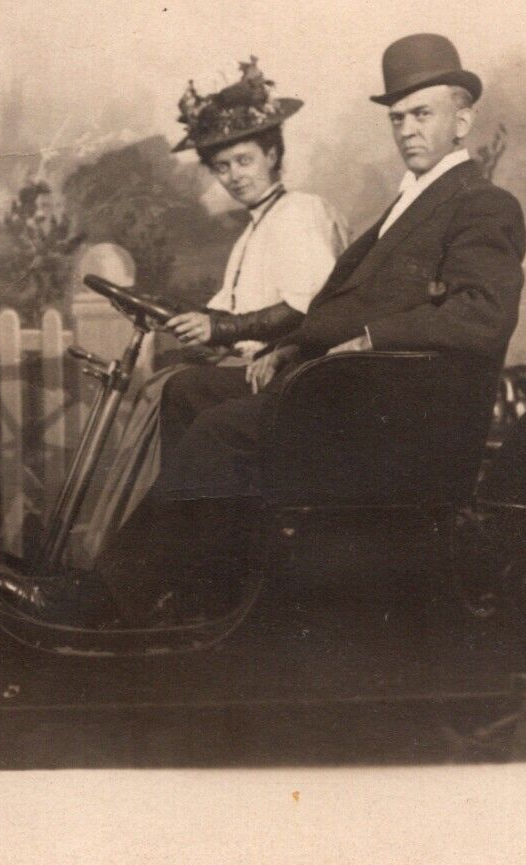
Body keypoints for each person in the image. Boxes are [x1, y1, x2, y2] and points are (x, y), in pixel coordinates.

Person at [0, 33, 526, 627]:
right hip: (347, 391)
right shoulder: (409, 202)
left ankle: (109, 600)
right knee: (190, 393)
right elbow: (338, 306)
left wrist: (372, 341)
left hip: (396, 417)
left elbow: (481, 315)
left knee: (221, 431)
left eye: (422, 114)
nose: (406, 130)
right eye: (397, 117)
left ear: (463, 119)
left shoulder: (481, 203)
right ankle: (203, 587)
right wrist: (292, 345)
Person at [70, 58, 347, 567]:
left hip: (291, 376)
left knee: (177, 390)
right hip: (251, 368)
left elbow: (307, 308)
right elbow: (225, 311)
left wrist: (220, 328)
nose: (233, 177)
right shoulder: (253, 230)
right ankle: (168, 552)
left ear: (272, 153)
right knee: (166, 386)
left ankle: (170, 557)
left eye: (243, 161)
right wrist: (193, 324)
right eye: (221, 168)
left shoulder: (301, 213)